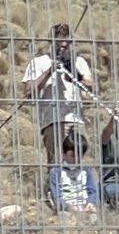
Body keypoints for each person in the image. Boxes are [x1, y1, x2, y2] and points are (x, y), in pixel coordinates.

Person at [24, 22, 94, 165]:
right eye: (59, 39)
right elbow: (29, 91)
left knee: (78, 162)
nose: (63, 43)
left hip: (76, 119)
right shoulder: (38, 62)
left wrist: (76, 76)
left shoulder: (79, 61)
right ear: (52, 41)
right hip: (52, 121)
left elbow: (90, 86)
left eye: (66, 39)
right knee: (56, 164)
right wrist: (50, 71)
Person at [47, 128, 99, 219]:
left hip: (85, 207)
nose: (75, 159)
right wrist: (70, 207)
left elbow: (92, 190)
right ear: (64, 153)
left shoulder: (86, 170)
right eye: (72, 156)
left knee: (94, 220)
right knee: (67, 220)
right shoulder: (56, 171)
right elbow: (57, 196)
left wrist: (90, 203)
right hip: (66, 209)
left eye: (79, 156)